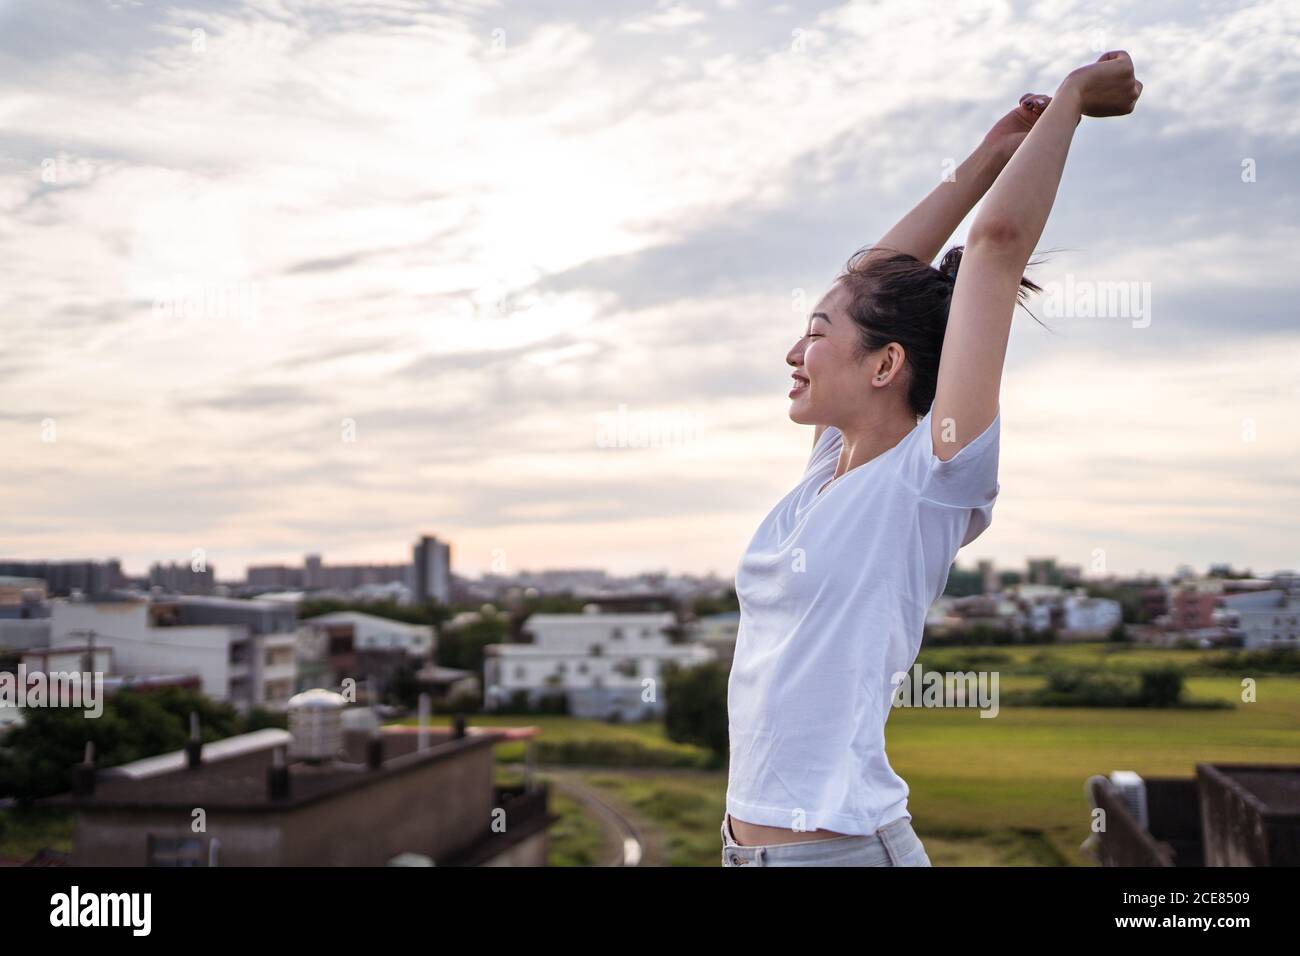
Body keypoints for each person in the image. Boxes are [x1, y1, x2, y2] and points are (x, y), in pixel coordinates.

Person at [722, 52, 1143, 867]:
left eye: (815, 334)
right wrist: (988, 154)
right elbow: (868, 279)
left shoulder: (930, 476)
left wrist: (1071, 101)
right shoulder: (824, 476)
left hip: (843, 856)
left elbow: (995, 247)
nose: (792, 352)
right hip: (748, 854)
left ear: (884, 366)